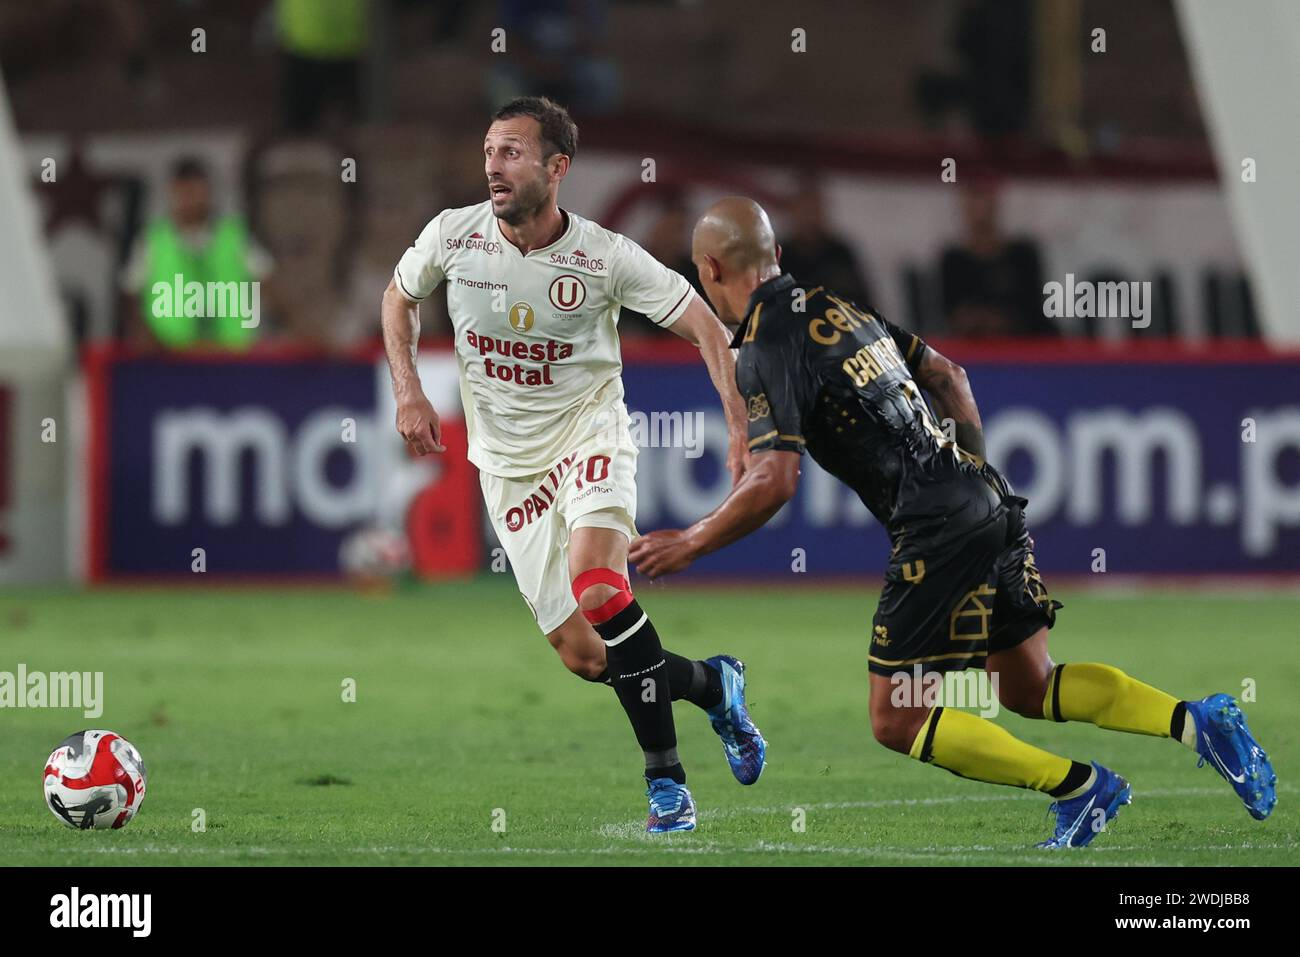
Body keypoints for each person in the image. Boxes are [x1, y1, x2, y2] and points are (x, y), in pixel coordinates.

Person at [630, 196, 1277, 847]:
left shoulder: (768, 341)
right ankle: (1197, 721)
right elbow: (950, 376)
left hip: (935, 526)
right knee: (1029, 683)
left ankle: (1081, 787)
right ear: (774, 254)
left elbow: (776, 479)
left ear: (710, 267)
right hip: (984, 494)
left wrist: (692, 539)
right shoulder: (837, 306)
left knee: (896, 717)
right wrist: (968, 484)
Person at [380, 98, 765, 832]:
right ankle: (716, 686)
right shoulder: (452, 236)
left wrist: (740, 430)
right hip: (508, 466)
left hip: (588, 436)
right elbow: (398, 299)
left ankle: (667, 785)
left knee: (598, 582)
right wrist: (410, 389)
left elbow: (708, 331)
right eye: (489, 150)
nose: (494, 165)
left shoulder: (603, 256)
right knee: (587, 655)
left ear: (557, 168)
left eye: (513, 152)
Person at [120, 157, 271, 350]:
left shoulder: (234, 236)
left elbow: (269, 284)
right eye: (184, 192)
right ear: (172, 193)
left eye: (196, 191)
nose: (190, 199)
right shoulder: (153, 240)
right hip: (171, 360)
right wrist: (144, 334)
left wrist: (297, 329)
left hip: (231, 358)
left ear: (209, 192)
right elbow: (129, 294)